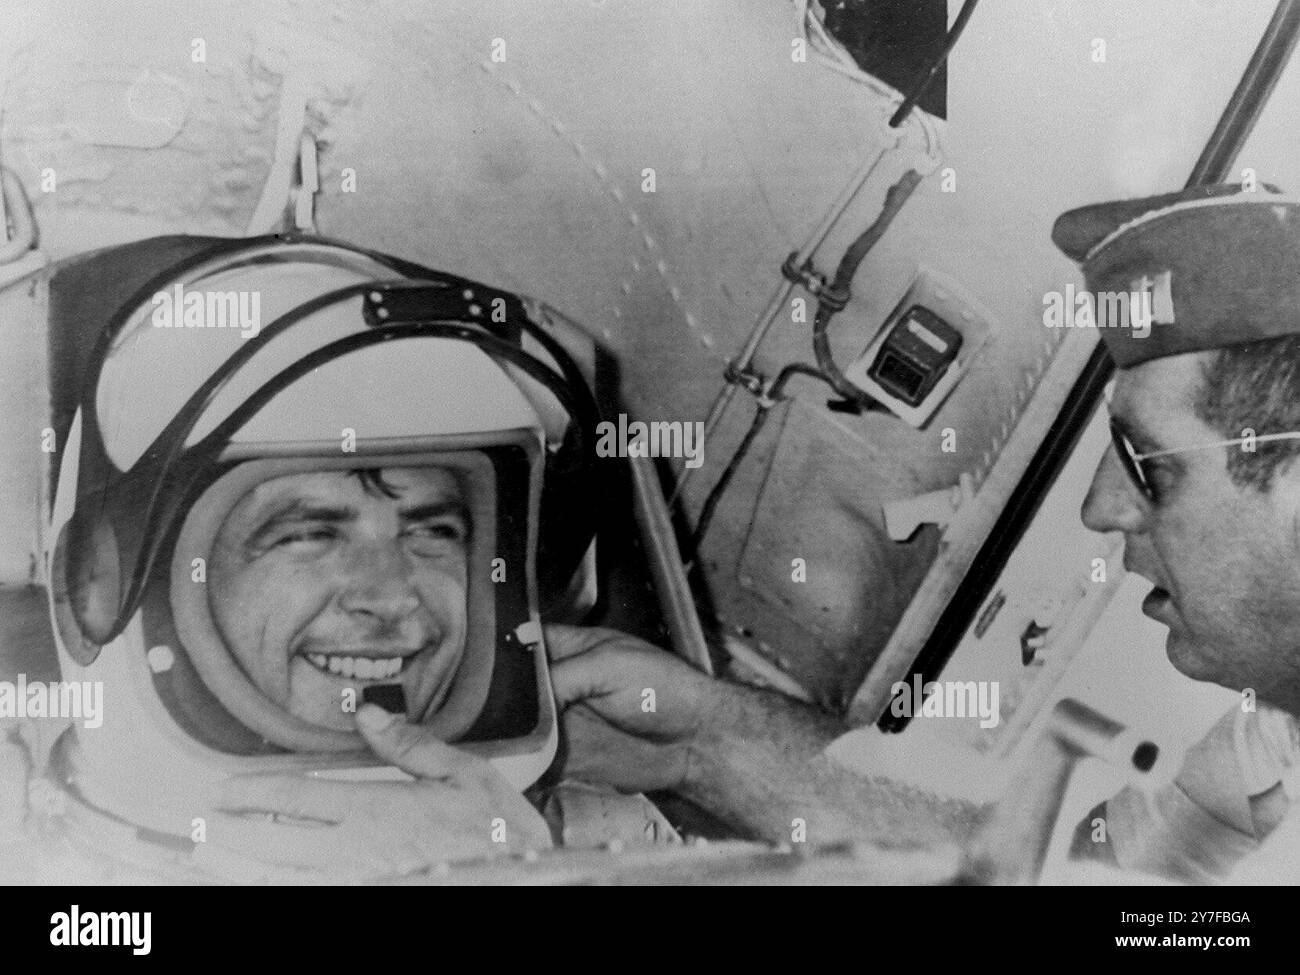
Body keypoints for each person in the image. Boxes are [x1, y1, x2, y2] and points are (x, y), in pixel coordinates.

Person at [547, 183, 1300, 883]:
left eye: (1147, 466)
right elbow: (1083, 875)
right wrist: (698, 738)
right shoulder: (1277, 729)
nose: (1100, 508)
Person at [9, 233, 669, 882]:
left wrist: (715, 753)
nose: (389, 596)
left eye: (433, 532)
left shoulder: (614, 849)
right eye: (309, 535)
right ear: (101, 583)